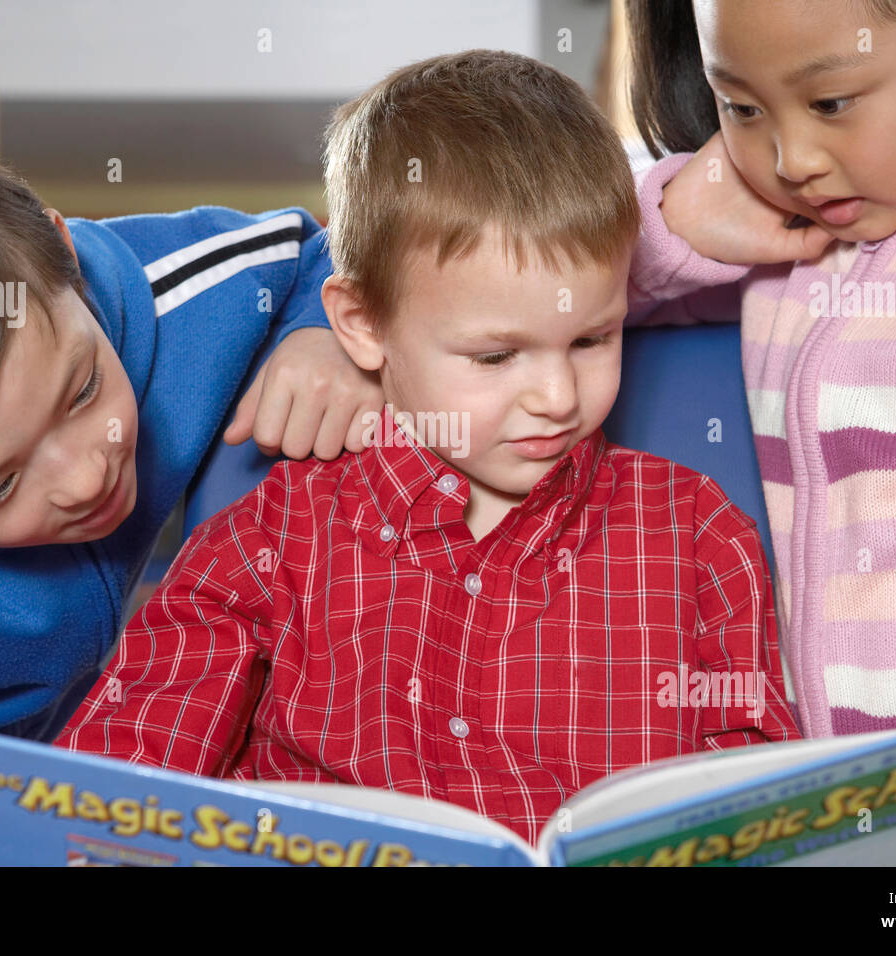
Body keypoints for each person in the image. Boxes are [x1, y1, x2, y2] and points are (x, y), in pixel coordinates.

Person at [56, 50, 800, 844]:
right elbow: (128, 773)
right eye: (494, 357)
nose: (556, 398)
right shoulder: (270, 542)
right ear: (362, 327)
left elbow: (753, 798)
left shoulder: (696, 534)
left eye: (592, 338)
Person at [0, 123, 383, 865]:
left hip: (111, 761)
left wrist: (320, 335)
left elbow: (324, 252)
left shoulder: (161, 284)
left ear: (62, 255)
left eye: (83, 388)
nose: (88, 475)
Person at [624, 0, 896, 862]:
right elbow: (550, 290)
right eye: (742, 108)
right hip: (846, 818)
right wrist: (676, 219)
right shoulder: (787, 243)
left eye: (831, 104)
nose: (794, 160)